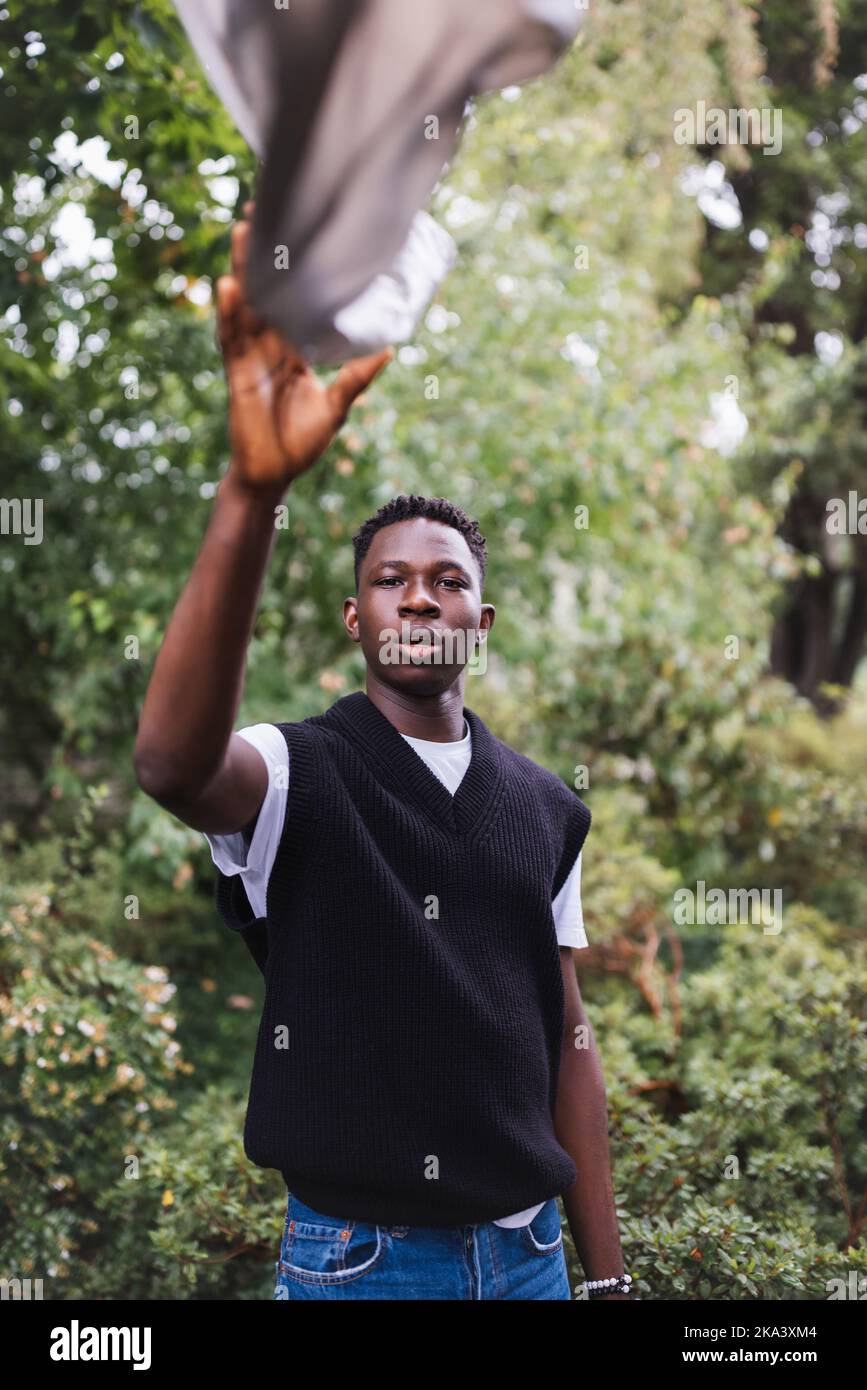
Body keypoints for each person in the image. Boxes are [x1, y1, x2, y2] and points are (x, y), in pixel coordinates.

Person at [133, 204, 631, 1301]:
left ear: (479, 623)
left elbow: (569, 1043)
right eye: (390, 578)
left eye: (448, 579)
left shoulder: (548, 809)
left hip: (533, 1262)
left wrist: (606, 1280)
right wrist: (254, 486)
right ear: (357, 619)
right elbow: (171, 764)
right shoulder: (292, 771)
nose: (419, 591)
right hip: (359, 1266)